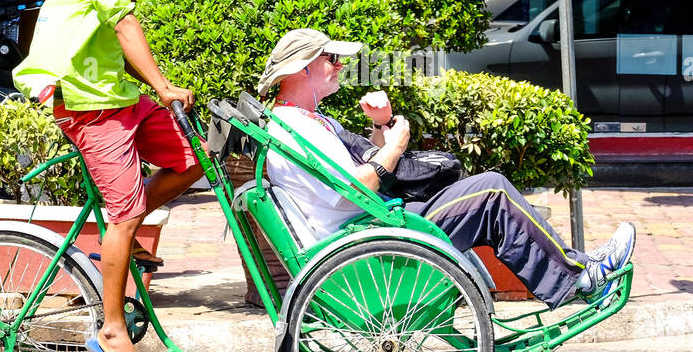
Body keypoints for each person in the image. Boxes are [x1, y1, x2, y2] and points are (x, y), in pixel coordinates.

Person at [255, 28, 636, 309]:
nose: (340, 66)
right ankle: (581, 279)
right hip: (369, 233)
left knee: (487, 191)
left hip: (374, 221)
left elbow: (355, 169)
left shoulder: (307, 120)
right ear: (303, 69)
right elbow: (353, 188)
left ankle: (579, 270)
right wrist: (396, 145)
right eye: (331, 59)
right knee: (492, 192)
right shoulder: (296, 129)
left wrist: (380, 127)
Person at [13, 0, 204, 352]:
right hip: (90, 107)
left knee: (195, 159)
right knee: (121, 217)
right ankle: (112, 328)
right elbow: (122, 23)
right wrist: (163, 85)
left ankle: (127, 233)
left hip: (119, 98)